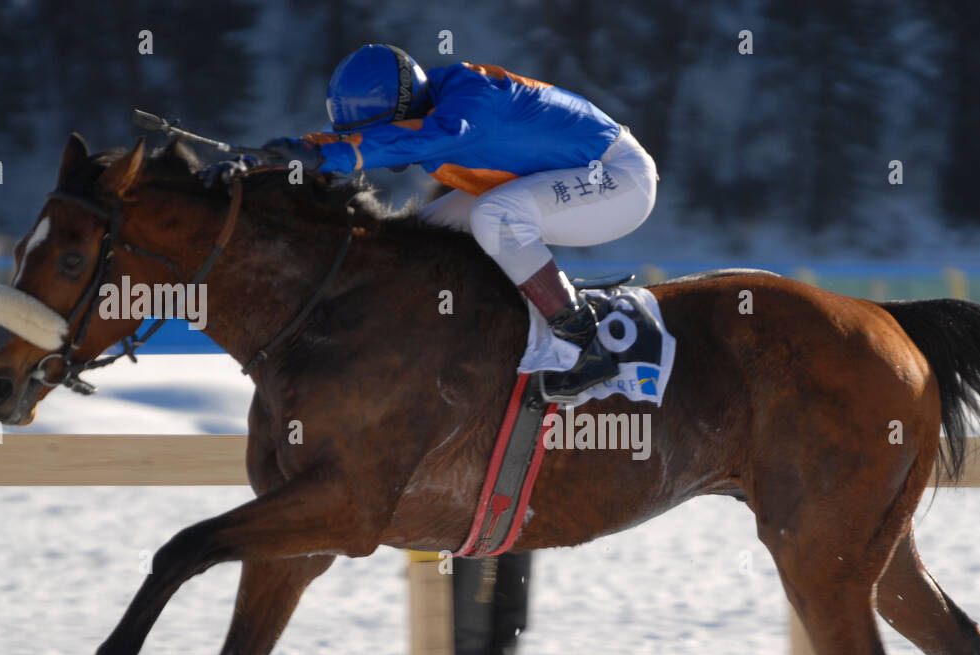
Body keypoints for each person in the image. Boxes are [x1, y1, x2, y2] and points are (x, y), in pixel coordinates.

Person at [212, 43, 659, 400]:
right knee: (426, 237)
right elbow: (377, 137)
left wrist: (320, 153)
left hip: (619, 180)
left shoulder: (466, 107)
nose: (382, 140)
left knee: (495, 215)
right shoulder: (433, 99)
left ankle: (583, 341)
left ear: (405, 109)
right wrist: (269, 159)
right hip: (566, 174)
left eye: (384, 127)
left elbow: (422, 137)